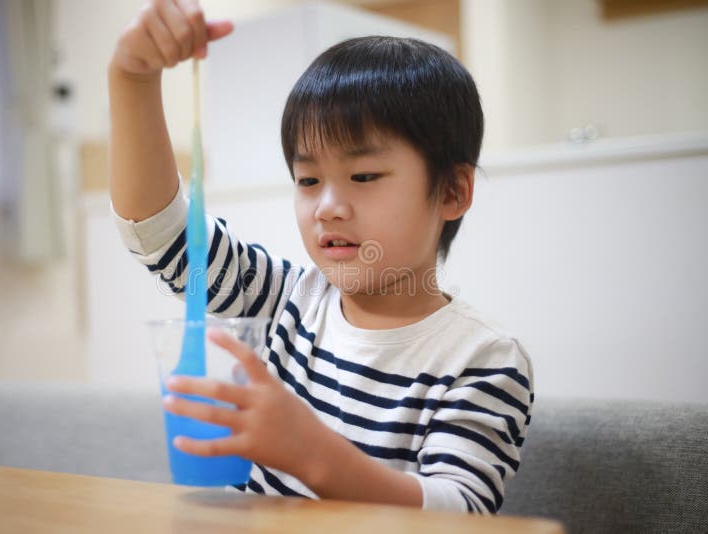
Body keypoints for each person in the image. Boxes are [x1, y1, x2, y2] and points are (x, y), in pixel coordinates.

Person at [109, 0, 533, 514]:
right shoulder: (287, 302)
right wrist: (132, 79)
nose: (328, 207)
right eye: (308, 181)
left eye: (364, 177)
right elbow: (165, 237)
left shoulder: (483, 360)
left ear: (451, 191)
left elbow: (461, 514)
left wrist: (312, 452)